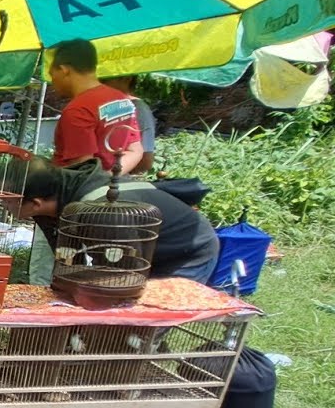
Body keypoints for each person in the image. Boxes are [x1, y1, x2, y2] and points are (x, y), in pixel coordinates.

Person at [18, 158, 221, 284]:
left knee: (139, 324)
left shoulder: (100, 213)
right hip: (141, 251)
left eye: (7, 202)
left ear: (35, 202)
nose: (4, 206)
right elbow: (67, 262)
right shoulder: (47, 208)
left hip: (187, 252)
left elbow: (124, 276)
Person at [47, 39, 142, 173]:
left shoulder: (78, 110)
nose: (52, 81)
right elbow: (135, 151)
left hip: (75, 190)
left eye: (52, 74)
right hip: (110, 187)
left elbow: (82, 170)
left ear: (64, 70)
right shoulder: (122, 99)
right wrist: (110, 179)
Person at [102, 75, 156, 175]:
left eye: (105, 78)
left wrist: (110, 176)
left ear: (127, 78)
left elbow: (146, 160)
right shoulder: (98, 104)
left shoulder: (137, 108)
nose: (100, 81)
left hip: (114, 180)